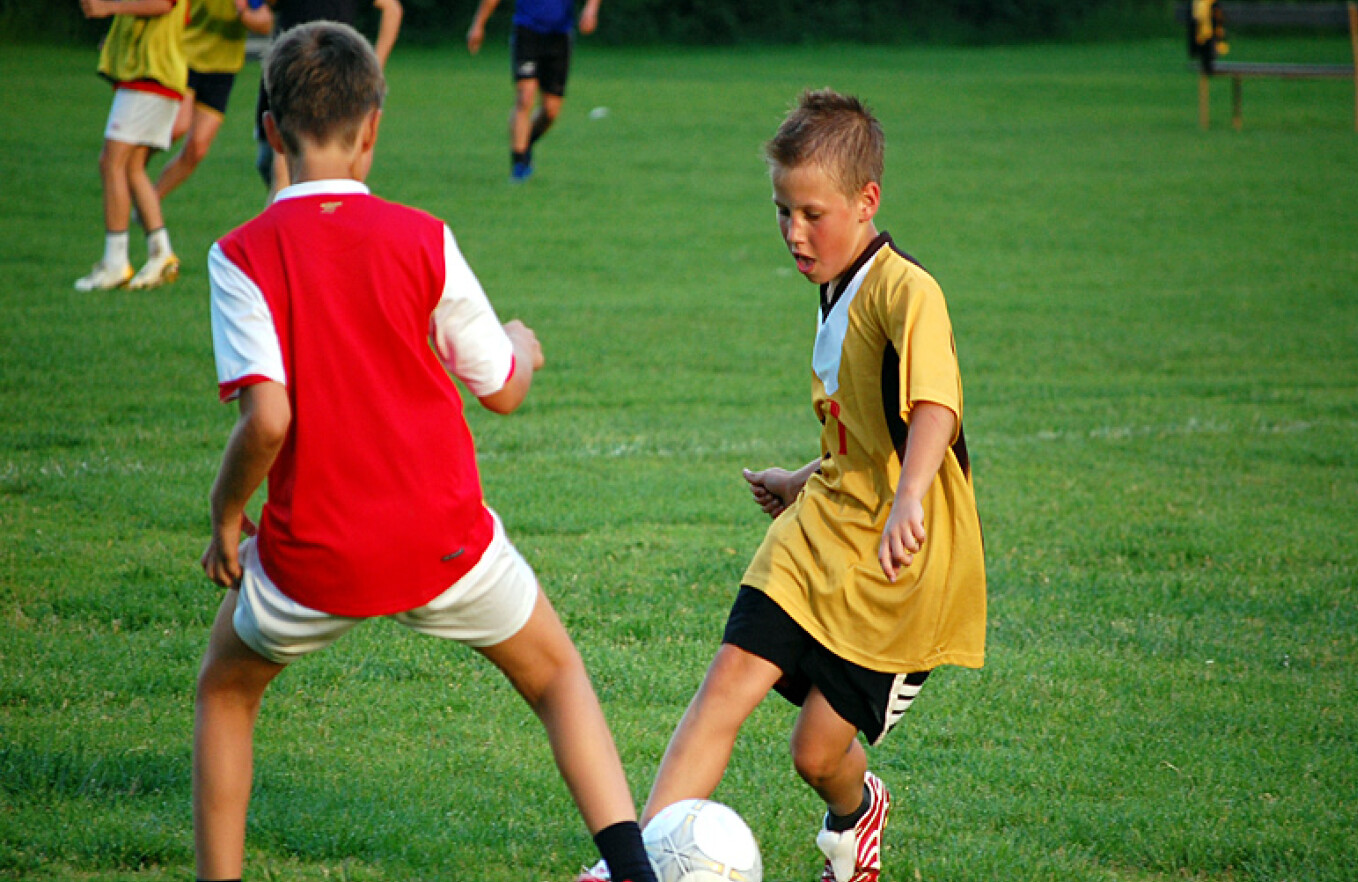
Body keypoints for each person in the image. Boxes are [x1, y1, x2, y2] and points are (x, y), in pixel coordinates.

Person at [193, 22, 656, 882]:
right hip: (444, 541)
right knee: (555, 676)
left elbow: (266, 420)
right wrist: (523, 343)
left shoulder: (240, 257)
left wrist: (227, 518)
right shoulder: (422, 237)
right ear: (373, 130)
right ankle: (633, 869)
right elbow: (504, 389)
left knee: (226, 690)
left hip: (312, 557)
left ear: (268, 130)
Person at [584, 89, 987, 882]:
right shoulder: (835, 286)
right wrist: (801, 477)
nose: (794, 234)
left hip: (901, 570)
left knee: (816, 753)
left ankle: (857, 809)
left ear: (867, 202)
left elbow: (934, 405)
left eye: (812, 214)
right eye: (781, 213)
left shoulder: (908, 290)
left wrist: (909, 497)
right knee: (726, 682)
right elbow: (862, 432)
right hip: (821, 531)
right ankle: (633, 867)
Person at [75, 0, 189, 292]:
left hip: (151, 76)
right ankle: (160, 252)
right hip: (154, 76)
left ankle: (114, 262)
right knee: (132, 168)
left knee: (111, 162)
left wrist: (107, 7)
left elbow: (163, 4)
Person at [251, 0, 402, 194]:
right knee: (271, 164)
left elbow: (392, 9)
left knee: (285, 172)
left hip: (332, 77)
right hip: (289, 72)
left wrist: (374, 67)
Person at [466, 0, 602, 182]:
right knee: (525, 97)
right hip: (527, 31)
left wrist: (591, 9)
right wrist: (478, 24)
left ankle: (525, 142)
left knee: (551, 110)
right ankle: (519, 163)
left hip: (559, 36)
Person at [154, 0, 274, 201]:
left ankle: (149, 201)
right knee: (178, 127)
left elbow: (266, 23)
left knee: (197, 149)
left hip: (223, 70)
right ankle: (131, 169)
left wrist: (243, 12)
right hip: (186, 58)